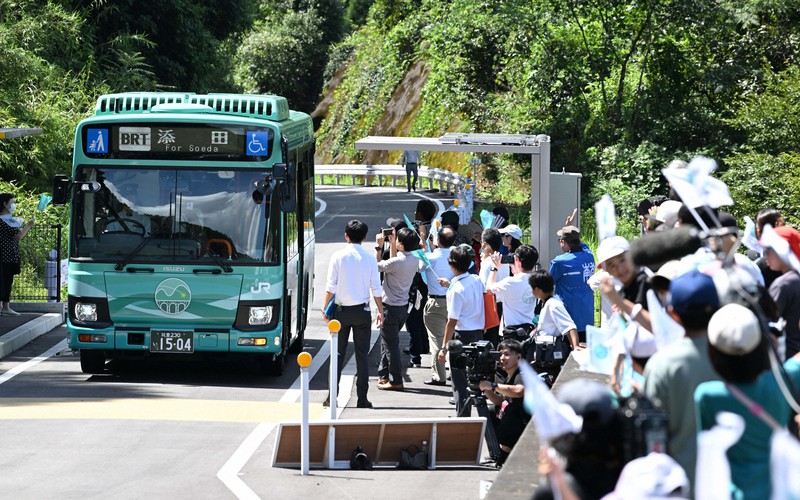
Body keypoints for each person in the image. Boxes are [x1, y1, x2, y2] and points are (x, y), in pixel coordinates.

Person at [695, 303, 800, 500]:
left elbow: (708, 453)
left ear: (714, 353)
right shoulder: (782, 381)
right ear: (760, 345)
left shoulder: (706, 396)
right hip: (779, 492)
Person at [643, 269, 721, 490]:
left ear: (673, 313)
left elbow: (652, 434)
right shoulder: (737, 357)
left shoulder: (661, 365)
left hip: (680, 485)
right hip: (732, 483)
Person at [322, 220, 384, 409]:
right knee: (362, 356)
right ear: (364, 237)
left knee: (337, 355)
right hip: (362, 311)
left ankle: (333, 397)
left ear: (346, 235)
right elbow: (376, 288)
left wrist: (326, 309)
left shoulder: (338, 256)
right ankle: (362, 398)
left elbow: (330, 286)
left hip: (341, 313)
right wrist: (380, 311)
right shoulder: (369, 259)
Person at [437, 245, 485, 415]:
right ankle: (482, 416)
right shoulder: (476, 280)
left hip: (461, 337)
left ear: (451, 265)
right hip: (479, 334)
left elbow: (451, 321)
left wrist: (443, 348)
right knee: (476, 378)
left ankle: (463, 417)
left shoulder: (455, 290)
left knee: (460, 381)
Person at [375, 226, 421, 391]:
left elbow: (377, 266)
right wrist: (393, 243)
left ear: (402, 244)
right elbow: (394, 262)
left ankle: (395, 380)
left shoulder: (396, 262)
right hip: (402, 308)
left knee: (391, 346)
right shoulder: (414, 259)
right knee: (389, 342)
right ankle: (385, 375)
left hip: (389, 308)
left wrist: (379, 246)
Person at [477, 339, 529, 466]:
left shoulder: (522, 374)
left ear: (518, 357)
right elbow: (501, 400)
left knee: (509, 412)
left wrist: (493, 385)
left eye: (506, 354)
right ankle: (497, 451)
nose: (502, 358)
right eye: (500, 354)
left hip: (525, 419)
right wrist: (487, 390)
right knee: (490, 411)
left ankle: (507, 452)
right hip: (516, 417)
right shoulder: (508, 376)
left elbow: (518, 391)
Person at [419, 227, 456, 386]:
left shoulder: (430, 258)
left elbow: (420, 268)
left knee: (437, 340)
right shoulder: (457, 256)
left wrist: (424, 249)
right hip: (455, 300)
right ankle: (454, 374)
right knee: (453, 340)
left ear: (437, 240)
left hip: (435, 302)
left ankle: (439, 375)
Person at [528, 270, 581, 377]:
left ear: (537, 289)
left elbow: (570, 326)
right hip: (543, 352)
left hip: (549, 354)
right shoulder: (547, 302)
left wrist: (575, 347)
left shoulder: (553, 304)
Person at [596, 236, 653, 333]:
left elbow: (657, 327)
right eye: (612, 265)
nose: (620, 269)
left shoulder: (646, 282)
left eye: (622, 260)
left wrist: (619, 302)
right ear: (606, 270)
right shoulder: (625, 287)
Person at [550, 225, 596, 343]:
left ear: (563, 242)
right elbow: (582, 245)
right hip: (587, 317)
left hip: (568, 320)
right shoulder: (589, 255)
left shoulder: (560, 262)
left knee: (568, 354)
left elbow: (549, 282)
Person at [485, 245, 539, 340]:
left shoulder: (510, 282)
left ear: (518, 261)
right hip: (529, 332)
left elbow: (489, 289)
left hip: (511, 333)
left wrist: (494, 267)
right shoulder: (537, 280)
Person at [764, 225, 800, 359]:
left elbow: (766, 320)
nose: (765, 256)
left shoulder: (783, 284)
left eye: (768, 250)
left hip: (788, 358)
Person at [0, 193, 34, 316]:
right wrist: (28, 226)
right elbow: (18, 236)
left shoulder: (9, 219)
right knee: (4, 281)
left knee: (7, 281)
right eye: (12, 202)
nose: (13, 205)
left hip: (10, 255)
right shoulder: (3, 221)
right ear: (4, 204)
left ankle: (5, 307)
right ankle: (4, 307)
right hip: (5, 255)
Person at [479, 228, 509, 347]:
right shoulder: (504, 261)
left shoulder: (486, 263)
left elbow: (483, 286)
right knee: (496, 335)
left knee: (488, 336)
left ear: (485, 244)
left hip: (489, 302)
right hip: (501, 302)